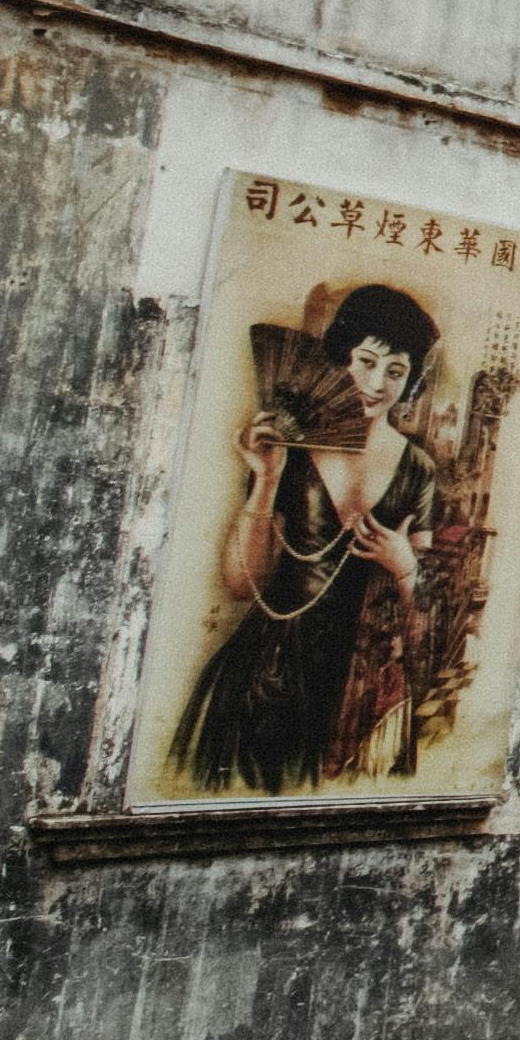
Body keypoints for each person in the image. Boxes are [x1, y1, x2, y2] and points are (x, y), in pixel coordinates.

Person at [166, 282, 438, 794]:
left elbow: (427, 617)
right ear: (341, 356)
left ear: (411, 380)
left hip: (356, 686)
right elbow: (241, 583)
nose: (377, 383)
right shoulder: (292, 443)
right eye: (365, 361)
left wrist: (405, 565)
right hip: (265, 673)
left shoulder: (418, 469)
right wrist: (268, 479)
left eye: (396, 371)